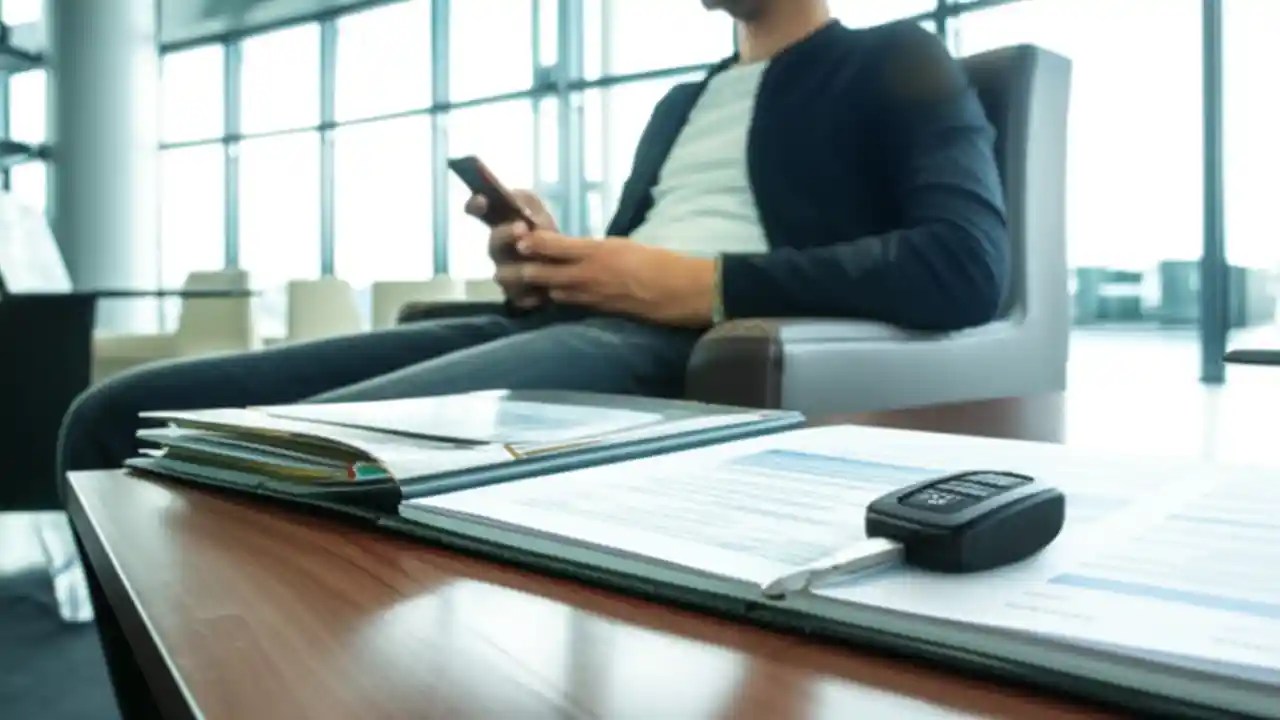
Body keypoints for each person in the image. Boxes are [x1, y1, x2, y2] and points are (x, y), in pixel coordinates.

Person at [58, 0, 1008, 480]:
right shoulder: (681, 103)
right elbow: (635, 256)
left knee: (283, 458)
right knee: (112, 418)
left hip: (693, 343)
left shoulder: (895, 58)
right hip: (585, 327)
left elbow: (966, 265)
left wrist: (703, 286)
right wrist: (548, 265)